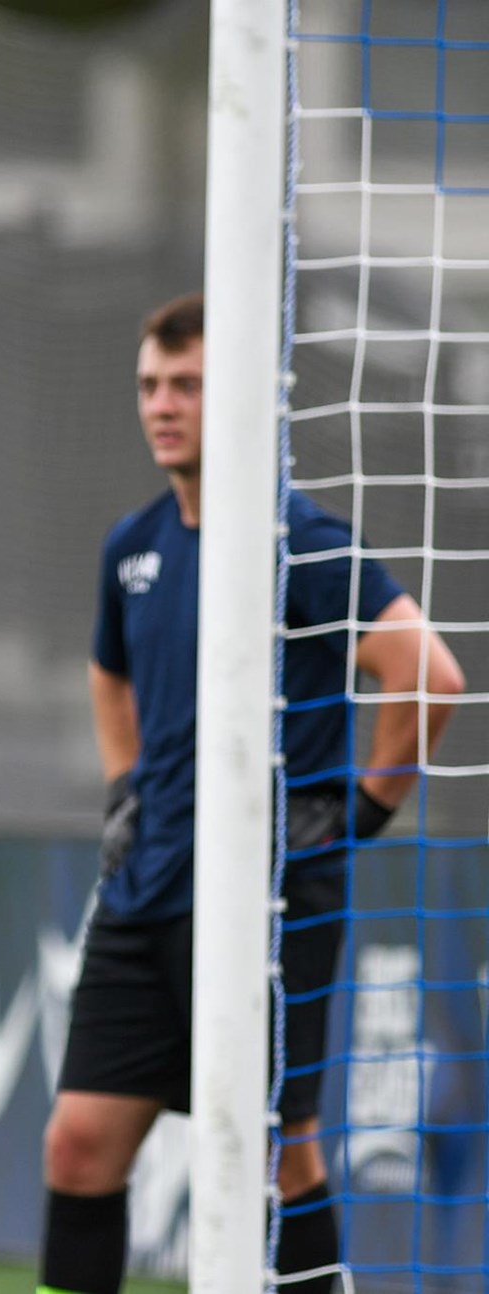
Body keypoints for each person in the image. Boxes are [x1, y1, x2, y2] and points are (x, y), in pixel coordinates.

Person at [37, 293, 466, 1294]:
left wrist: (360, 810)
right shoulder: (131, 544)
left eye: (188, 384)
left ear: (240, 398)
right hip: (144, 895)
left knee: (276, 1148)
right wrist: (124, 791)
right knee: (77, 1145)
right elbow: (108, 672)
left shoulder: (302, 538)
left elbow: (427, 671)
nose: (165, 405)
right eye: (151, 384)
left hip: (269, 905)